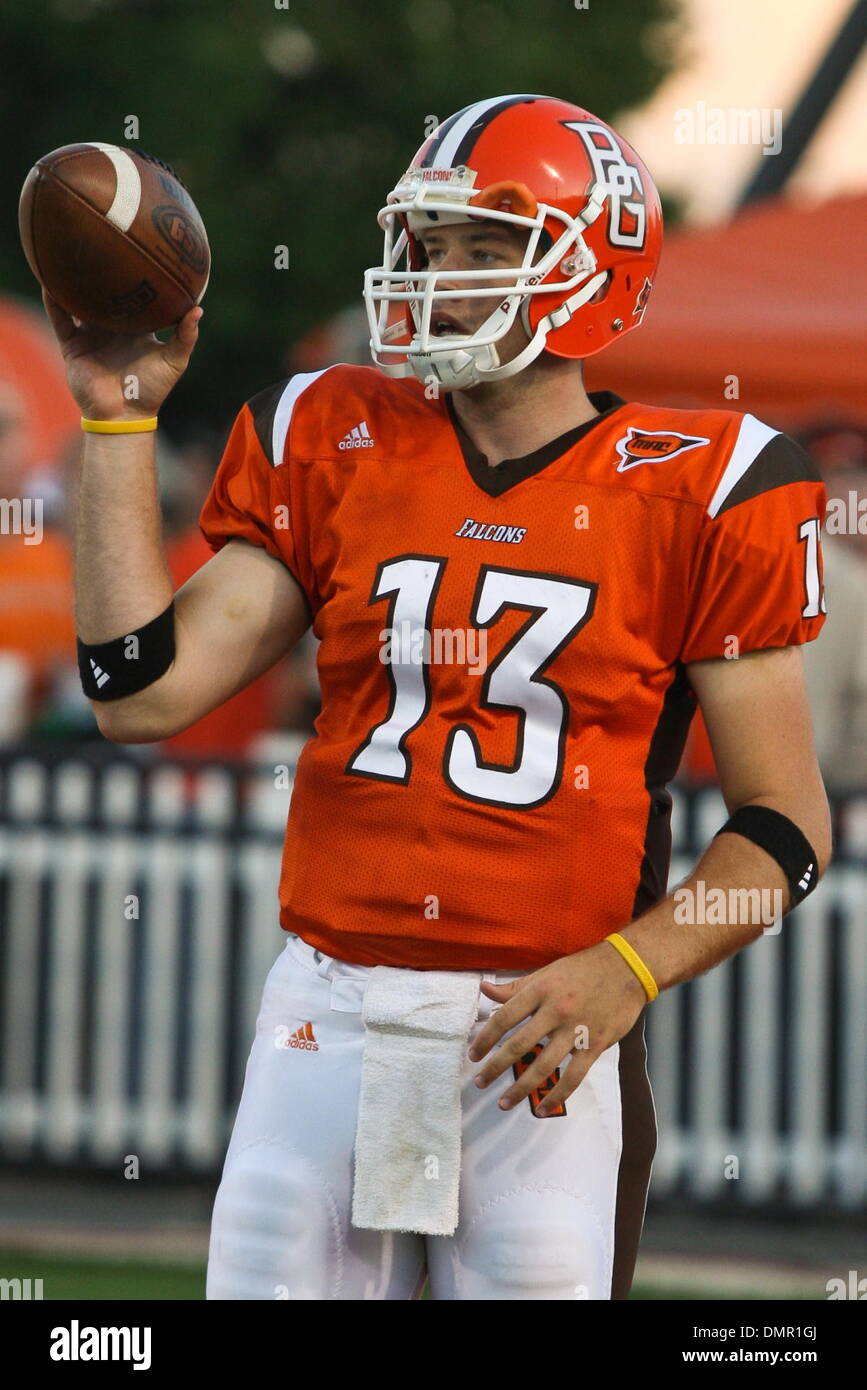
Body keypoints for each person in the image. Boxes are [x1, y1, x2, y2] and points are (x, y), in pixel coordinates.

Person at [46, 94, 831, 1300]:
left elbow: (784, 828)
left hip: (540, 1022)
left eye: (485, 246)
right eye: (429, 243)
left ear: (592, 266)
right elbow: (139, 691)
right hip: (332, 1003)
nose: (440, 276)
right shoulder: (334, 430)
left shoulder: (707, 482)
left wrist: (629, 965)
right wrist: (117, 418)